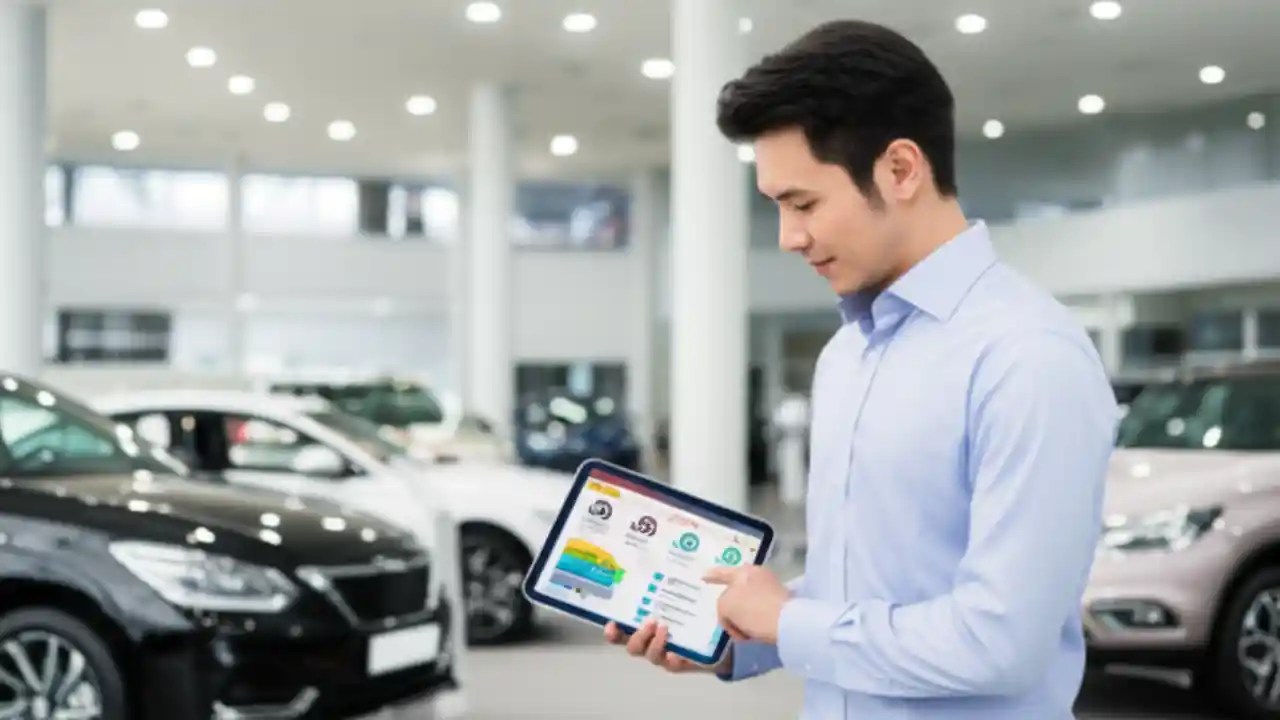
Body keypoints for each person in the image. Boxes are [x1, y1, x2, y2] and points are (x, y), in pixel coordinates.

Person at [604, 19, 1117, 719]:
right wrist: (731, 638)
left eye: (803, 203)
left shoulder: (1029, 357)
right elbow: (855, 596)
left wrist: (786, 622)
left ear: (901, 169)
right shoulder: (847, 355)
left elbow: (1002, 640)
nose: (790, 238)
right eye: (778, 207)